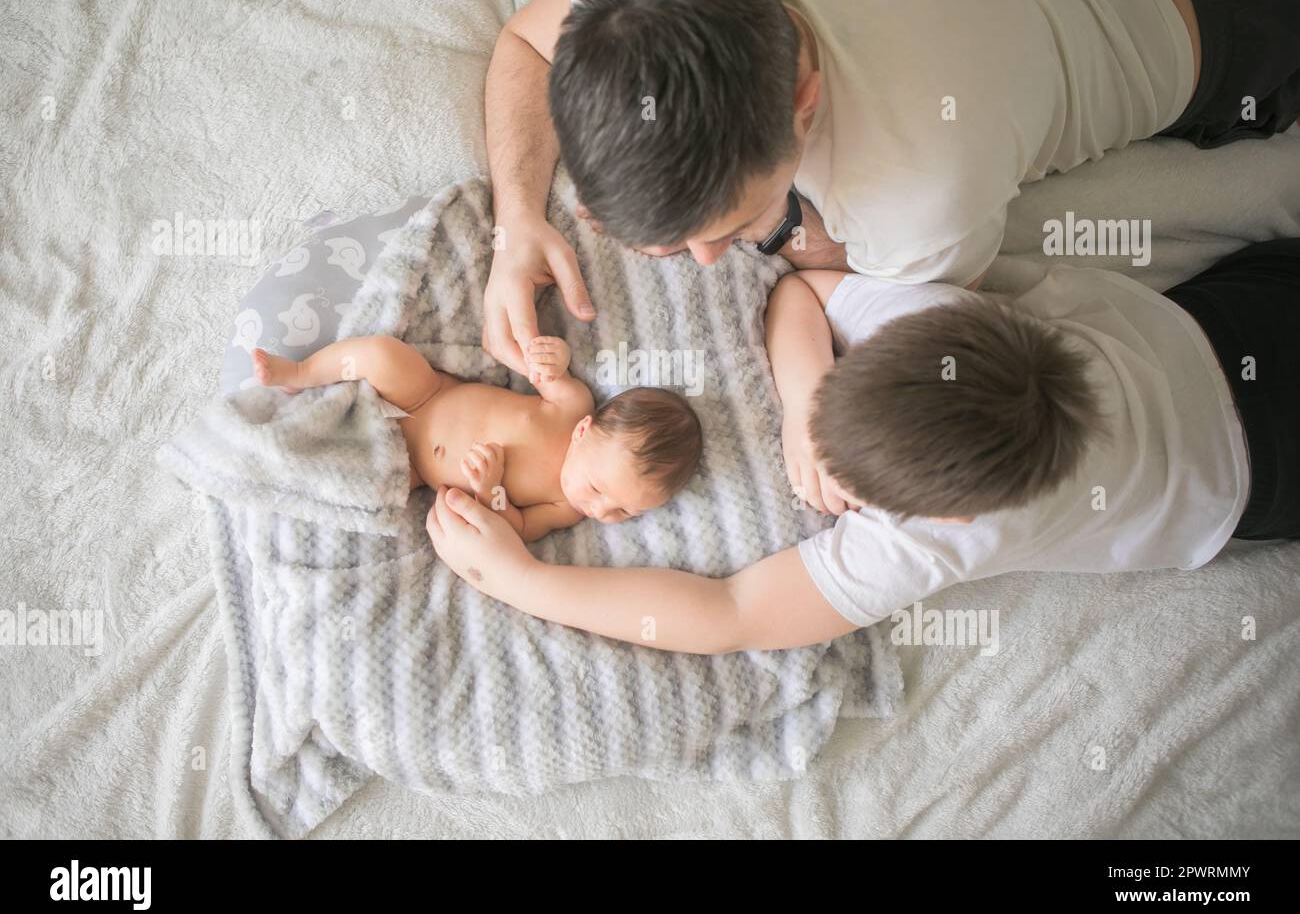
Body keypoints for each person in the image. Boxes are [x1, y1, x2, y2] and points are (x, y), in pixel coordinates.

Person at [480, 0, 1300, 375]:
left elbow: (910, 311)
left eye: (728, 231)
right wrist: (517, 220)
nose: (706, 260)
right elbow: (525, 44)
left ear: (806, 102)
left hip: (1230, 2)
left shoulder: (918, 192)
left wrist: (790, 238)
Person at [427, 241, 1300, 654]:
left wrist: (525, 580)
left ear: (944, 509)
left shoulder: (945, 533)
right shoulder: (939, 326)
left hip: (1254, 475)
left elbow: (734, 616)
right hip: (1230, 321)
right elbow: (801, 293)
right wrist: (806, 396)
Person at [252, 335, 702, 541]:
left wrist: (493, 491)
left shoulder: (565, 510)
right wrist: (553, 356)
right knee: (382, 355)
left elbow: (518, 530)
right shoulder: (572, 406)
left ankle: (282, 455)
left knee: (356, 485)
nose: (601, 510)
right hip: (426, 396)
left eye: (625, 511)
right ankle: (299, 373)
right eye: (601, 489)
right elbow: (546, 369)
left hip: (414, 472)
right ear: (585, 433)